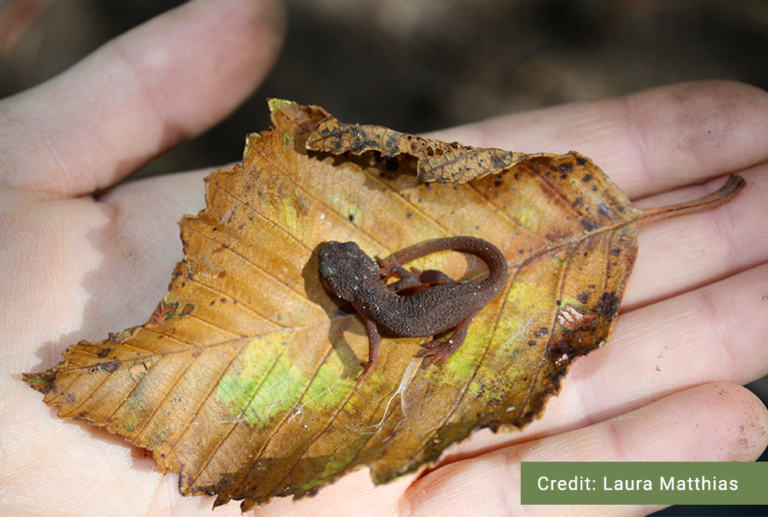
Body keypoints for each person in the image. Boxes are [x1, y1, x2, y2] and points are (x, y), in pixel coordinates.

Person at [1, 0, 766, 515]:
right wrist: (412, 284)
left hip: (447, 309)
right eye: (344, 271)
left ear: (356, 284)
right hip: (441, 301)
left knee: (471, 301)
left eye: (343, 273)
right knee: (467, 299)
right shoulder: (373, 298)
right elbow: (380, 310)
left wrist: (386, 346)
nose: (334, 277)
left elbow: (368, 333)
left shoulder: (367, 315)